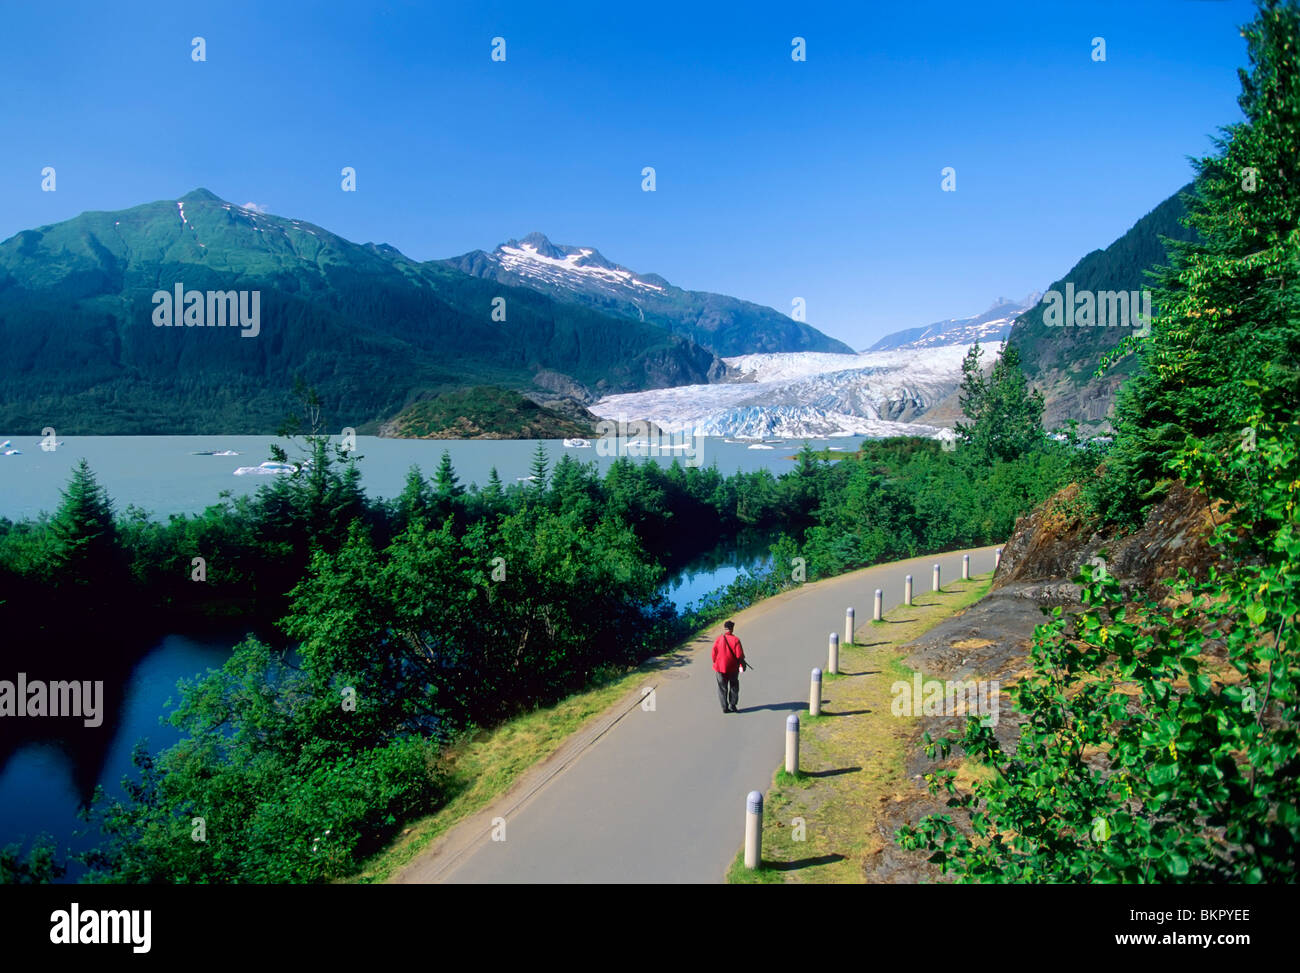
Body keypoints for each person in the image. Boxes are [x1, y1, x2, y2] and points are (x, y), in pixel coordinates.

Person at [712, 620, 747, 714]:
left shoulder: (719, 639)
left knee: (722, 688)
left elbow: (714, 653)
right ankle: (733, 705)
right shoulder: (736, 640)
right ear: (732, 629)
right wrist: (742, 665)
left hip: (719, 668)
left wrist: (716, 662)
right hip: (732, 668)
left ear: (724, 628)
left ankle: (724, 707)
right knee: (734, 686)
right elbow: (739, 656)